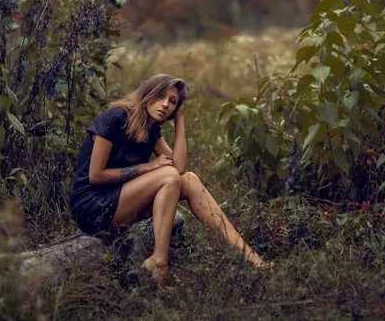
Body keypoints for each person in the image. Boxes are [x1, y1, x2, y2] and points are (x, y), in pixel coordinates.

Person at [71, 74, 272, 284]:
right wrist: (147, 167)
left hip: (122, 203)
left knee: (189, 179)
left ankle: (251, 258)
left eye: (173, 102)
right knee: (168, 176)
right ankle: (159, 261)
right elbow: (96, 176)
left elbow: (180, 168)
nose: (165, 105)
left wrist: (180, 119)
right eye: (160, 96)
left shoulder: (152, 127)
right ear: (148, 93)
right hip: (92, 206)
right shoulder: (114, 118)